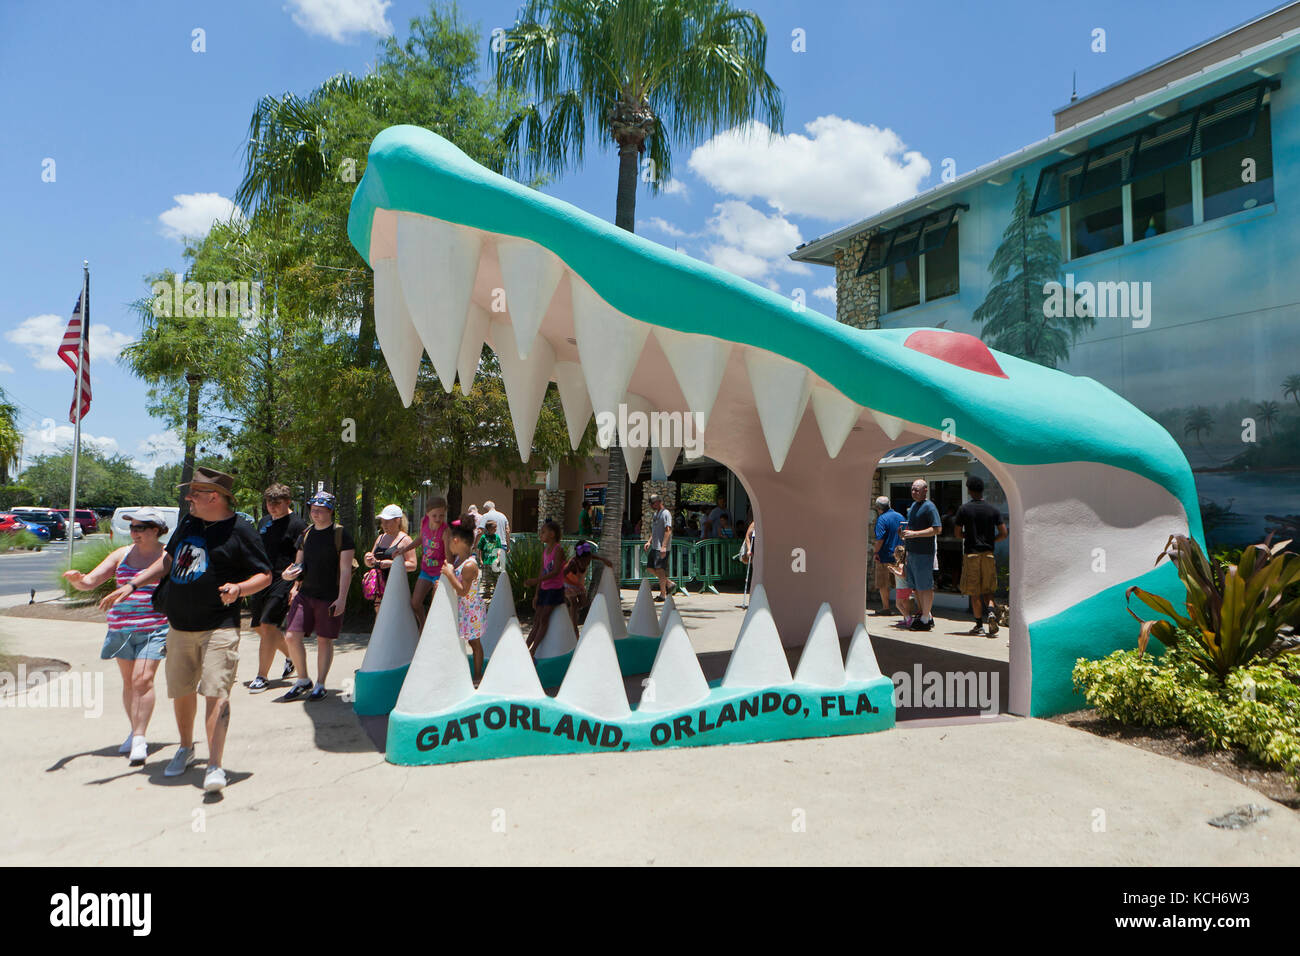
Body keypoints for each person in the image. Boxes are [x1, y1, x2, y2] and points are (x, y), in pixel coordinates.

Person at [101, 466, 271, 793]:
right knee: (181, 691)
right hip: (178, 624)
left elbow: (264, 574)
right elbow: (167, 559)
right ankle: (185, 747)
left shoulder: (241, 530)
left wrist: (239, 588)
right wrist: (134, 583)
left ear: (214, 497)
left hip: (219, 626)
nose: (188, 497)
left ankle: (216, 765)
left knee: (216, 692)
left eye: (194, 492)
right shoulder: (190, 522)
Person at [65, 507, 170, 765]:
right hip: (121, 628)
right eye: (132, 528)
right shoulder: (121, 555)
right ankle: (135, 730)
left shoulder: (168, 556)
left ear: (156, 530)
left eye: (140, 528)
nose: (134, 533)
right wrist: (77, 580)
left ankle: (139, 739)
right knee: (129, 683)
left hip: (155, 627)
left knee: (142, 680)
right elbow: (90, 582)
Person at [277, 491, 355, 702]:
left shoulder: (340, 534)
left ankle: (320, 683)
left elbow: (346, 570)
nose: (316, 514)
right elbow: (298, 565)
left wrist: (342, 598)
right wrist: (290, 579)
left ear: (330, 511)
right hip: (305, 594)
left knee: (324, 640)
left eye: (320, 511)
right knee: (291, 637)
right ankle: (303, 679)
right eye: (313, 510)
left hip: (329, 595)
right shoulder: (306, 534)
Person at [247, 484, 309, 693]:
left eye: (277, 503)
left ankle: (262, 677)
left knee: (267, 624)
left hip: (286, 578)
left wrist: (297, 585)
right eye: (269, 503)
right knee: (257, 625)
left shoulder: (297, 524)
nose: (272, 507)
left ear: (287, 502)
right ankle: (290, 656)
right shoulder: (264, 521)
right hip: (262, 577)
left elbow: (303, 557)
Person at [954, 475, 1009, 636]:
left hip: (972, 554)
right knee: (988, 589)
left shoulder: (964, 509)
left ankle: (979, 625)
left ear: (969, 490)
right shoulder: (993, 510)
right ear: (982, 489)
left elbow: (957, 533)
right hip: (988, 554)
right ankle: (991, 612)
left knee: (974, 591)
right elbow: (1004, 533)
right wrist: (991, 540)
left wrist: (968, 536)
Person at [442, 515, 486, 679]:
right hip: (464, 608)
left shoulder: (469, 565)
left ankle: (477, 675)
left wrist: (449, 574)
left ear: (456, 541)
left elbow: (462, 591)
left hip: (471, 610)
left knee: (474, 643)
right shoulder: (461, 560)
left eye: (449, 541)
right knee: (469, 642)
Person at [397, 497, 450, 630]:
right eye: (434, 515)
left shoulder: (445, 531)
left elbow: (449, 557)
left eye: (441, 515)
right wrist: (405, 549)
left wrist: (445, 577)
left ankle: (433, 632)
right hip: (426, 571)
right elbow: (421, 538)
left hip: (439, 573)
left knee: (435, 605)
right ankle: (423, 624)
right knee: (415, 603)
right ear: (427, 514)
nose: (438, 519)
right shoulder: (424, 522)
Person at [900, 479, 942, 631]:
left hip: (924, 553)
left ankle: (925, 619)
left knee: (925, 586)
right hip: (912, 552)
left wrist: (915, 534)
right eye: (912, 489)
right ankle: (926, 614)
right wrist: (906, 535)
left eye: (917, 489)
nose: (914, 492)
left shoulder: (929, 506)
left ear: (925, 491)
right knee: (916, 587)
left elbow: (937, 529)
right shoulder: (913, 507)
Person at [363, 504, 417, 612]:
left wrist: (392, 564)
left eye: (387, 521)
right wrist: (367, 559)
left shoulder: (405, 540)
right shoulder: (380, 538)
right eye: (382, 521)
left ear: (397, 521)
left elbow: (413, 565)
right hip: (379, 587)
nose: (384, 525)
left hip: (396, 586)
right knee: (380, 615)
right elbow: (371, 563)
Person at [524, 521, 566, 656]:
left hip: (554, 589)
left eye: (543, 532)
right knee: (537, 619)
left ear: (552, 534)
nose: (540, 535)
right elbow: (542, 571)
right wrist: (537, 593)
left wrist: (536, 581)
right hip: (544, 588)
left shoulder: (558, 550)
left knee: (544, 618)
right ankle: (525, 648)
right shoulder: (545, 550)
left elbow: (556, 571)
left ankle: (533, 649)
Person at [563, 540, 615, 630]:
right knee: (574, 603)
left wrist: (604, 560)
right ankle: (574, 626)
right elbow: (562, 574)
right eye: (583, 561)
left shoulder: (589, 556)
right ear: (578, 559)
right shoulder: (573, 564)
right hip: (567, 583)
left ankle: (570, 610)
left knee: (584, 602)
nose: (586, 563)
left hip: (578, 584)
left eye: (588, 561)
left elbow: (594, 556)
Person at [871, 496, 904, 615]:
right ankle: (904, 607)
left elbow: (880, 539)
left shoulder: (882, 519)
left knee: (883, 583)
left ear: (878, 508)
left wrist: (875, 552)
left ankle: (886, 608)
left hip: (884, 555)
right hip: (900, 555)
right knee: (901, 582)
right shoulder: (900, 516)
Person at [643, 493, 674, 601]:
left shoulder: (665, 513)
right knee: (650, 568)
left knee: (660, 570)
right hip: (655, 546)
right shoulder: (656, 514)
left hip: (662, 547)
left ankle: (663, 594)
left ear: (658, 502)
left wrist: (664, 546)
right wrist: (649, 541)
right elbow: (655, 531)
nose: (651, 506)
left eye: (652, 503)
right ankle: (669, 583)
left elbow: (668, 530)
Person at [474, 519, 505, 603]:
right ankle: (487, 594)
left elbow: (499, 548)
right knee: (486, 578)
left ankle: (495, 594)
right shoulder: (484, 538)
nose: (495, 530)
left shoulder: (497, 537)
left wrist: (498, 557)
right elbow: (480, 549)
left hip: (494, 561)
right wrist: (480, 559)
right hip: (486, 561)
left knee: (495, 578)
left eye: (496, 528)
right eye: (494, 528)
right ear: (488, 529)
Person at [886, 545, 915, 626]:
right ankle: (906, 619)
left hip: (902, 588)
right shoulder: (904, 563)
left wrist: (893, 571)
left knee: (898, 604)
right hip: (906, 587)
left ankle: (908, 618)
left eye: (895, 553)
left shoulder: (901, 565)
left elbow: (902, 575)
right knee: (905, 603)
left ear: (897, 554)